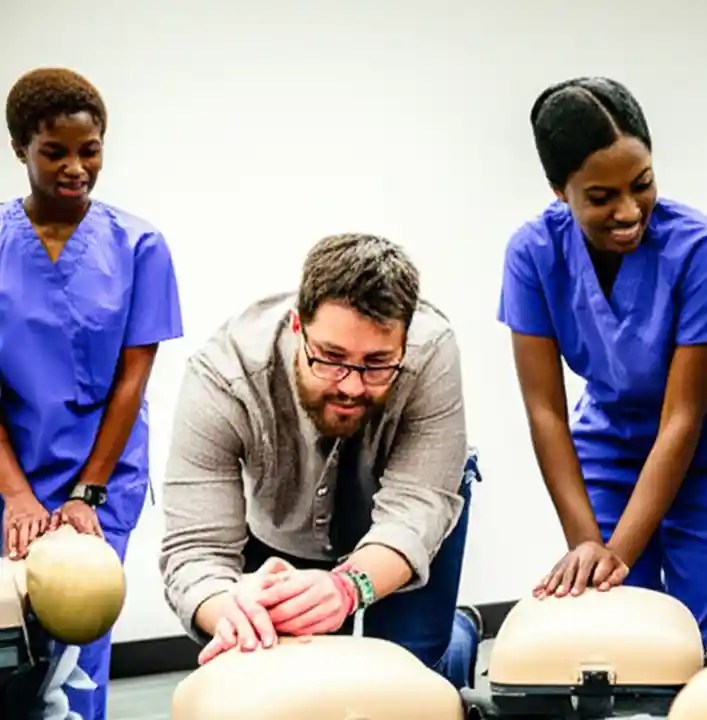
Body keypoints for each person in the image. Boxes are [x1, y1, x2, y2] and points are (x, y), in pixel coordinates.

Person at [498, 76, 707, 645]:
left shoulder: (704, 251)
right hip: (611, 446)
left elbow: (682, 420)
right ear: (559, 190)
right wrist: (591, 548)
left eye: (642, 184)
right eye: (600, 197)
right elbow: (545, 412)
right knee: (614, 631)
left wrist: (617, 554)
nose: (629, 211)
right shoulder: (532, 254)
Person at [158, 234, 482, 689]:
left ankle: (455, 639)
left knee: (409, 677)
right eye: (330, 359)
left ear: (405, 343)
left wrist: (349, 587)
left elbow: (417, 508)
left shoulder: (433, 350)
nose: (351, 386)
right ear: (297, 326)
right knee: (275, 682)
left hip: (400, 521)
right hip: (279, 523)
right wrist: (230, 608)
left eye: (376, 364)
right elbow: (195, 550)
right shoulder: (222, 377)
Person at [0, 68, 184, 720]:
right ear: (21, 148)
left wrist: (88, 491)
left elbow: (132, 380)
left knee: (80, 627)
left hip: (101, 473)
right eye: (56, 152)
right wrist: (17, 494)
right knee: (8, 640)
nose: (76, 167)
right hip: (8, 470)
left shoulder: (140, 246)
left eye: (91, 149)